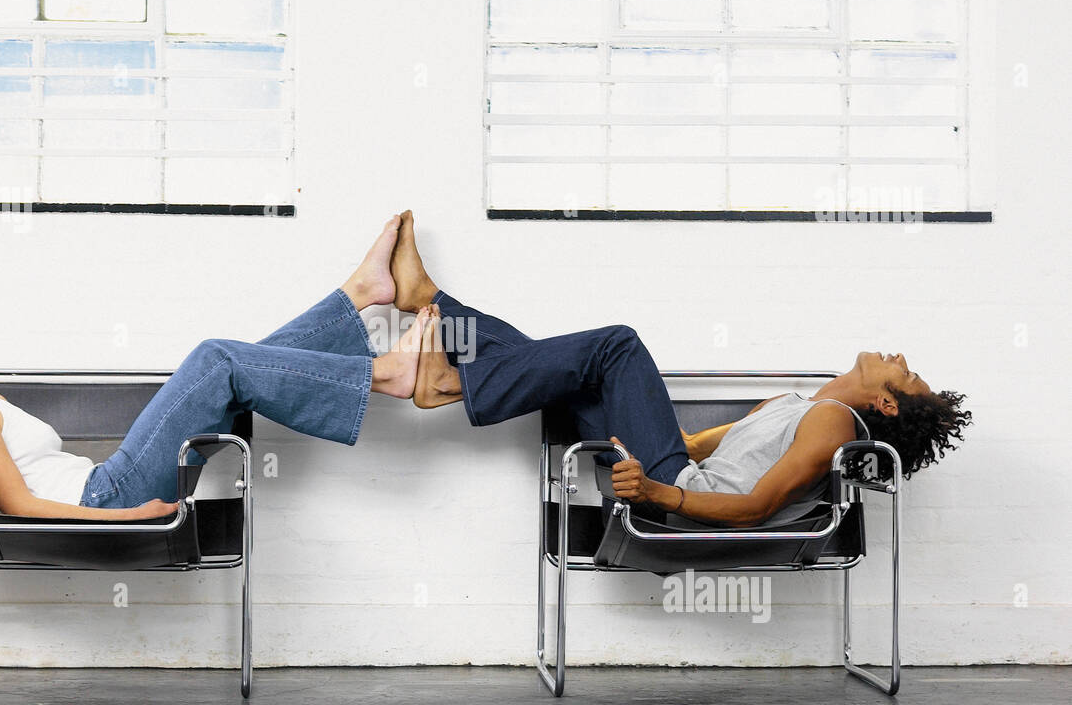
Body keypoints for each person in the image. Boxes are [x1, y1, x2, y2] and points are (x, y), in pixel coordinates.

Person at [0, 215, 433, 568]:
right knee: (217, 359)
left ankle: (360, 294)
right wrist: (130, 518)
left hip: (109, 481)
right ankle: (385, 373)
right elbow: (19, 508)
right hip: (109, 494)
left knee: (233, 372)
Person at [394, 212, 972, 528]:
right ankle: (430, 304)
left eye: (906, 371)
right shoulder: (796, 408)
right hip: (670, 468)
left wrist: (655, 491)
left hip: (675, 495)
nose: (897, 356)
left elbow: (756, 509)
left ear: (889, 404)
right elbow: (692, 445)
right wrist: (643, 427)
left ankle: (448, 377)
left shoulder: (835, 424)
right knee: (568, 367)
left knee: (616, 347)